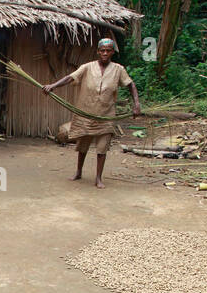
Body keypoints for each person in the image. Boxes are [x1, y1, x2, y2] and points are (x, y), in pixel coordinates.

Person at [43, 37, 141, 189]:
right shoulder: (87, 67)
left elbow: (131, 85)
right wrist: (53, 86)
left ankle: (98, 178)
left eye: (108, 51)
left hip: (106, 115)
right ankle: (78, 171)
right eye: (102, 51)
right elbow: (71, 77)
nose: (105, 53)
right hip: (86, 114)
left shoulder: (118, 69)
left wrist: (136, 104)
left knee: (102, 148)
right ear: (97, 52)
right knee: (82, 145)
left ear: (112, 52)